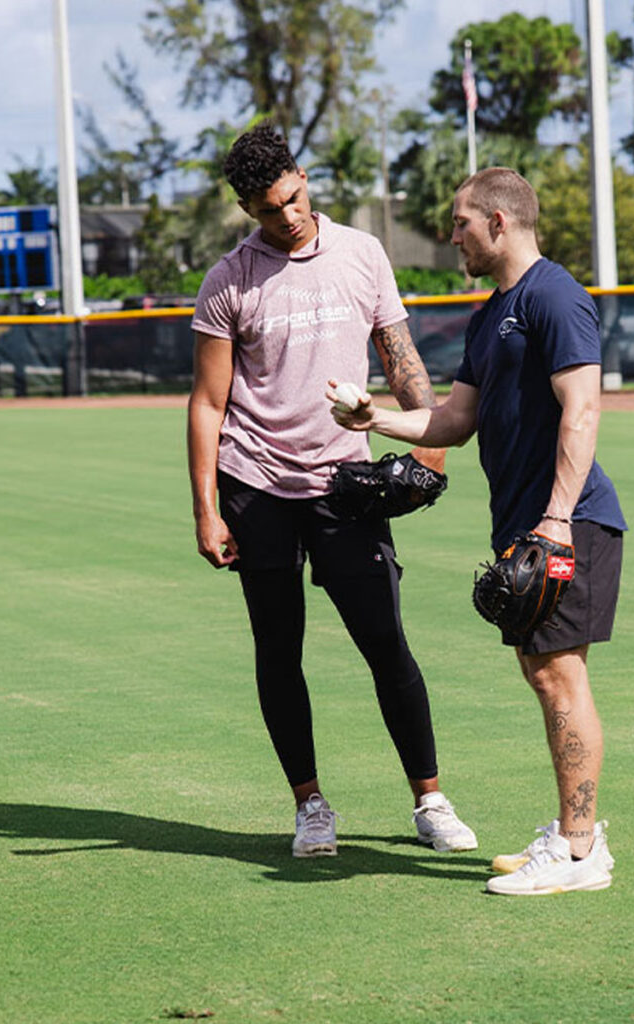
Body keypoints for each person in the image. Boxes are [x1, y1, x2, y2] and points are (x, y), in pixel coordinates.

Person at [329, 167, 626, 895]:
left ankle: (582, 851)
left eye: (461, 221)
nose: (451, 233)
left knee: (561, 675)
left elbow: (582, 411)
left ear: (500, 222)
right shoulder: (492, 313)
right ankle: (569, 832)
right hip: (529, 525)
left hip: (571, 519)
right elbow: (454, 421)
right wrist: (375, 419)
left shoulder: (555, 296)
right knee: (541, 671)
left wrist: (555, 519)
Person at [187, 123, 477, 859]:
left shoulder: (363, 253)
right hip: (255, 483)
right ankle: (310, 805)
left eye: (287, 199)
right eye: (263, 209)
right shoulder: (229, 279)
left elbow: (400, 355)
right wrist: (206, 509)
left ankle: (430, 799)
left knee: (386, 642)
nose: (282, 217)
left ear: (303, 178)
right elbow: (207, 403)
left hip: (345, 483)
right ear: (246, 209)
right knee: (278, 651)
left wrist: (432, 443)